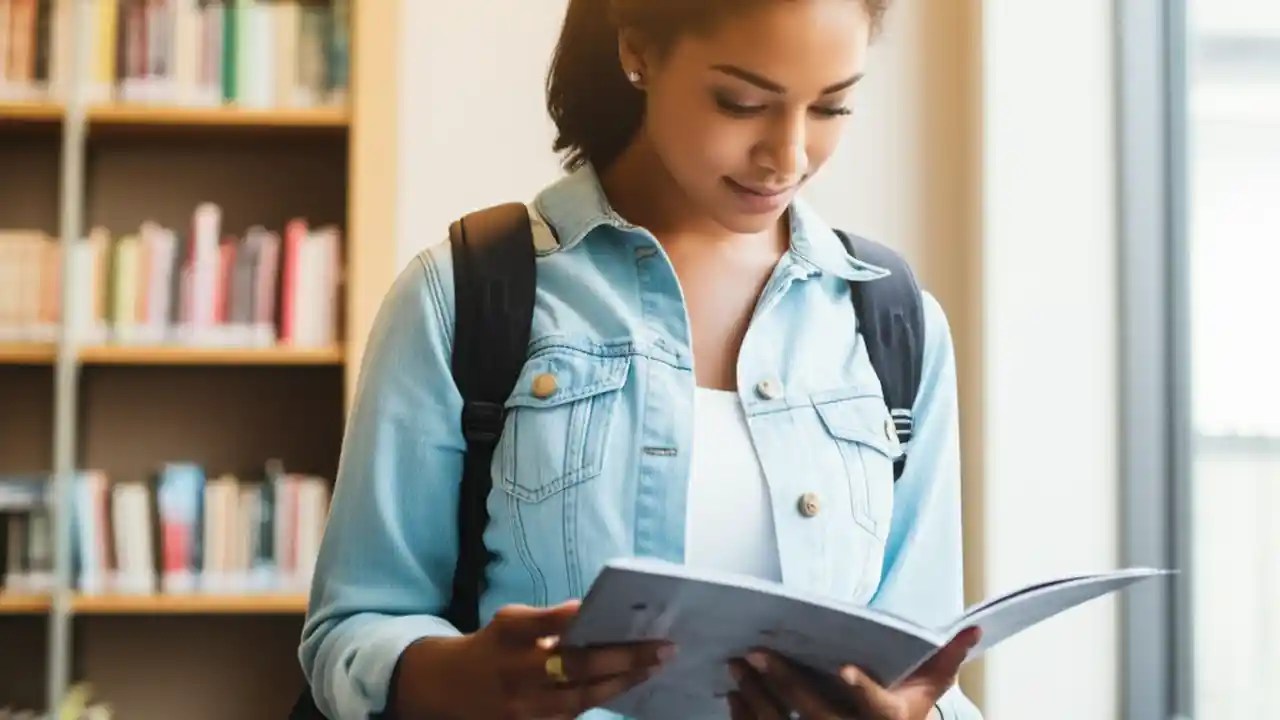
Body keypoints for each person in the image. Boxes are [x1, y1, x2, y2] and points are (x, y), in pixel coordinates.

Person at [299, 0, 984, 718]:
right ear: (639, 52)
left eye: (832, 108)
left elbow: (929, 673)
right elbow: (352, 629)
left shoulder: (893, 325)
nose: (788, 156)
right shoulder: (466, 297)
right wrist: (451, 679)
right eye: (742, 102)